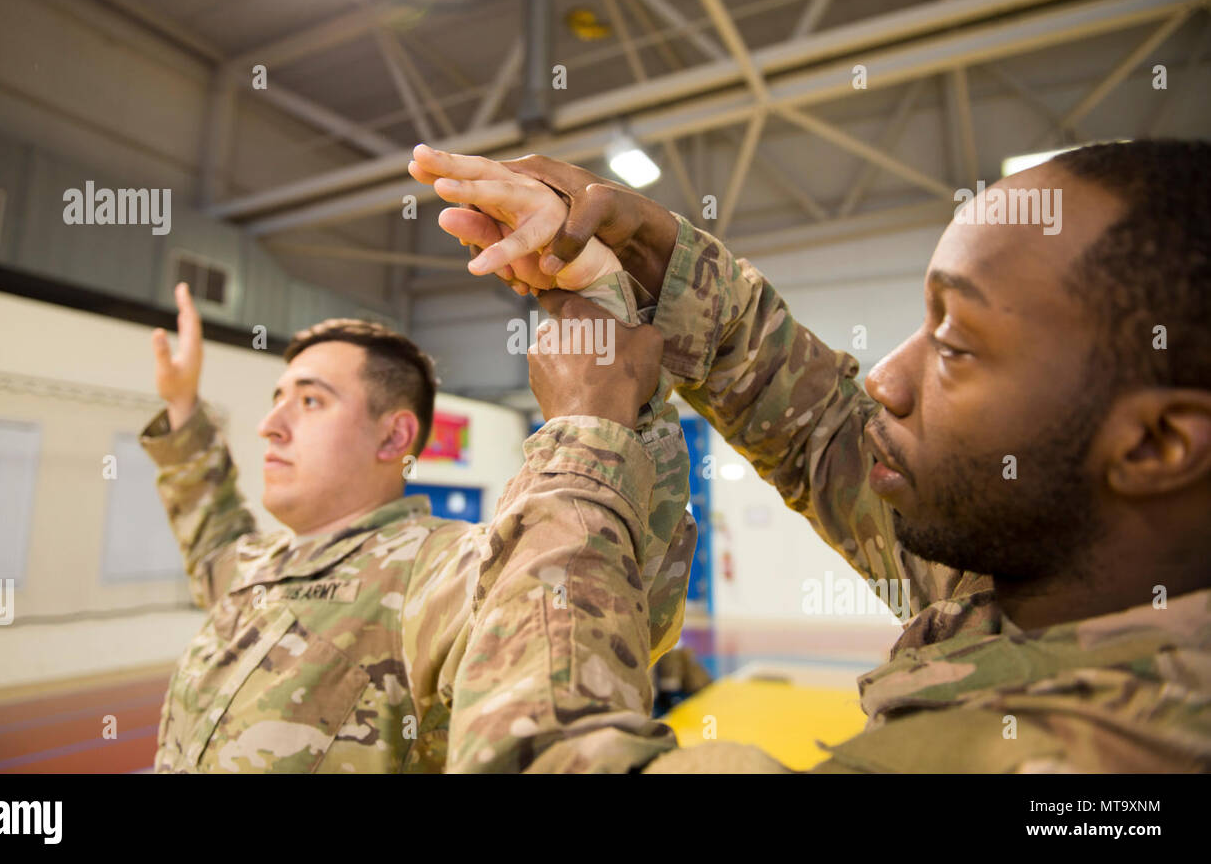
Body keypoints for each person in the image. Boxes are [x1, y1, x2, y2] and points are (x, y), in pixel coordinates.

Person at [410, 138, 1211, 772]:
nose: (890, 378)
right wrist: (653, 260)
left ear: (1156, 443)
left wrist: (585, 439)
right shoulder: (1051, 575)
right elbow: (825, 430)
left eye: (957, 344)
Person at [140, 228, 694, 770]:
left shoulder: (436, 573)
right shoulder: (258, 565)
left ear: (394, 437)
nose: (269, 426)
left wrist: (615, 394)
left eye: (309, 401)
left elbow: (609, 589)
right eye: (277, 399)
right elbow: (213, 537)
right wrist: (184, 409)